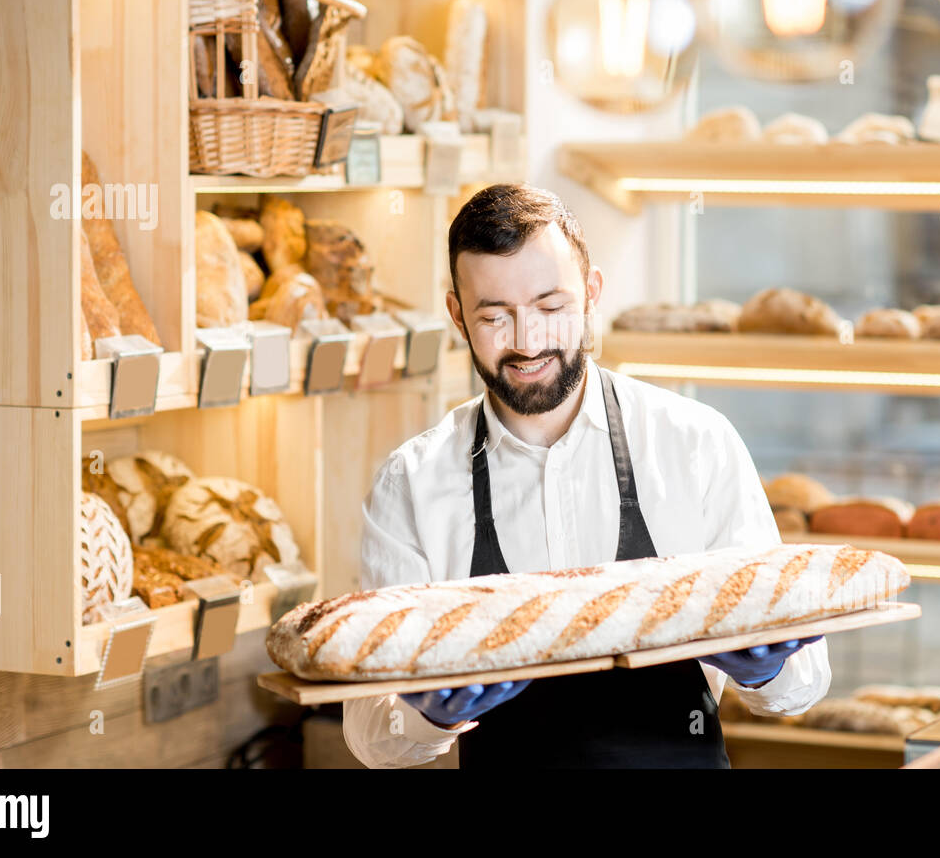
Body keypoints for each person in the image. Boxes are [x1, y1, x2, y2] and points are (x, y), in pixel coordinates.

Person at [342, 183, 831, 768]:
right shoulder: (413, 484)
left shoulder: (694, 443)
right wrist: (428, 715)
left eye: (550, 308)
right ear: (456, 316)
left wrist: (770, 667)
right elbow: (371, 732)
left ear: (591, 292)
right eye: (495, 316)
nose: (527, 343)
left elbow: (804, 680)